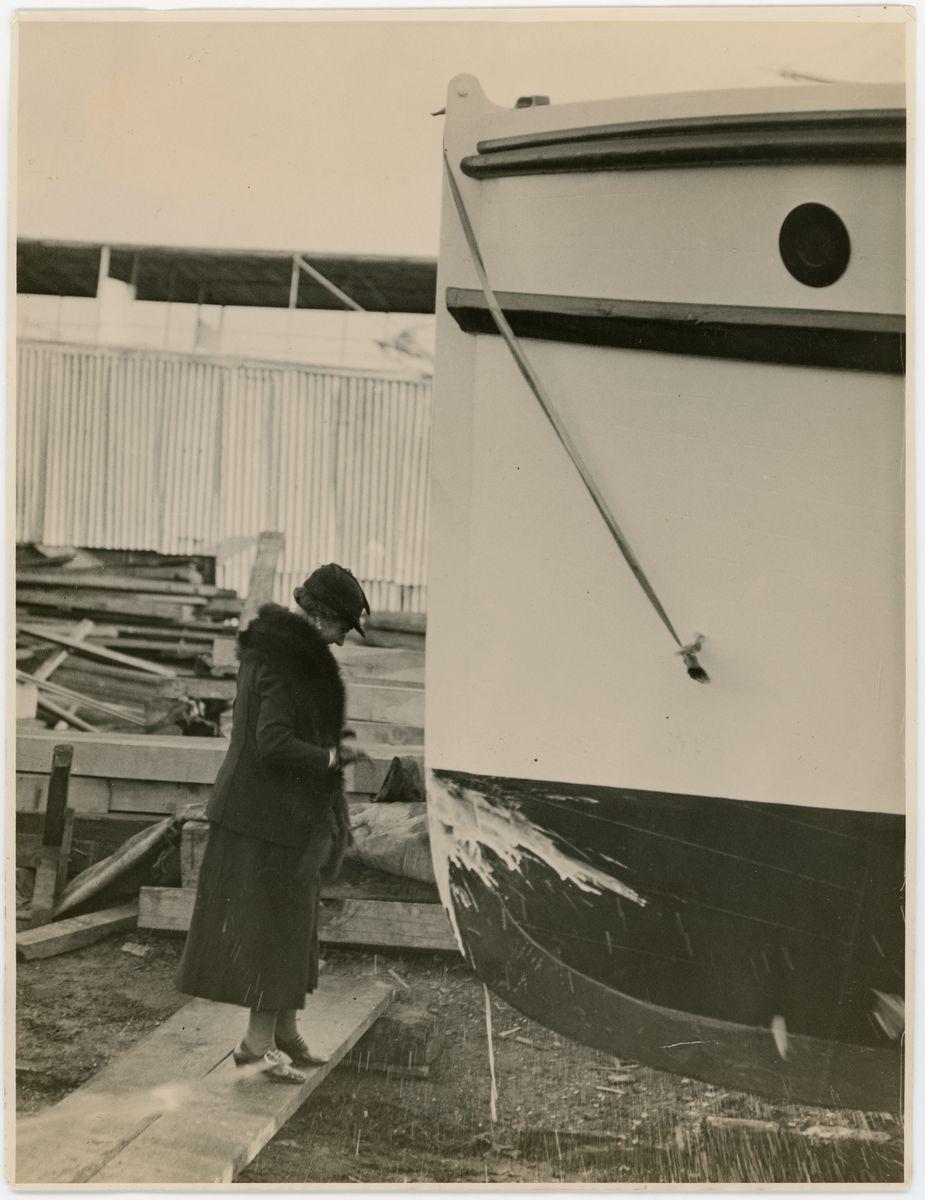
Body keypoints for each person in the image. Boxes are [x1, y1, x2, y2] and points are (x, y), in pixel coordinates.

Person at [175, 563, 371, 1083]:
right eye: (340, 629)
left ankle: (284, 1033)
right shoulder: (288, 662)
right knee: (272, 931)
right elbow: (274, 743)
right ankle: (254, 1048)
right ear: (319, 616)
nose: (340, 641)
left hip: (273, 815)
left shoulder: (282, 651)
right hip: (262, 819)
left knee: (294, 927)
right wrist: (333, 759)